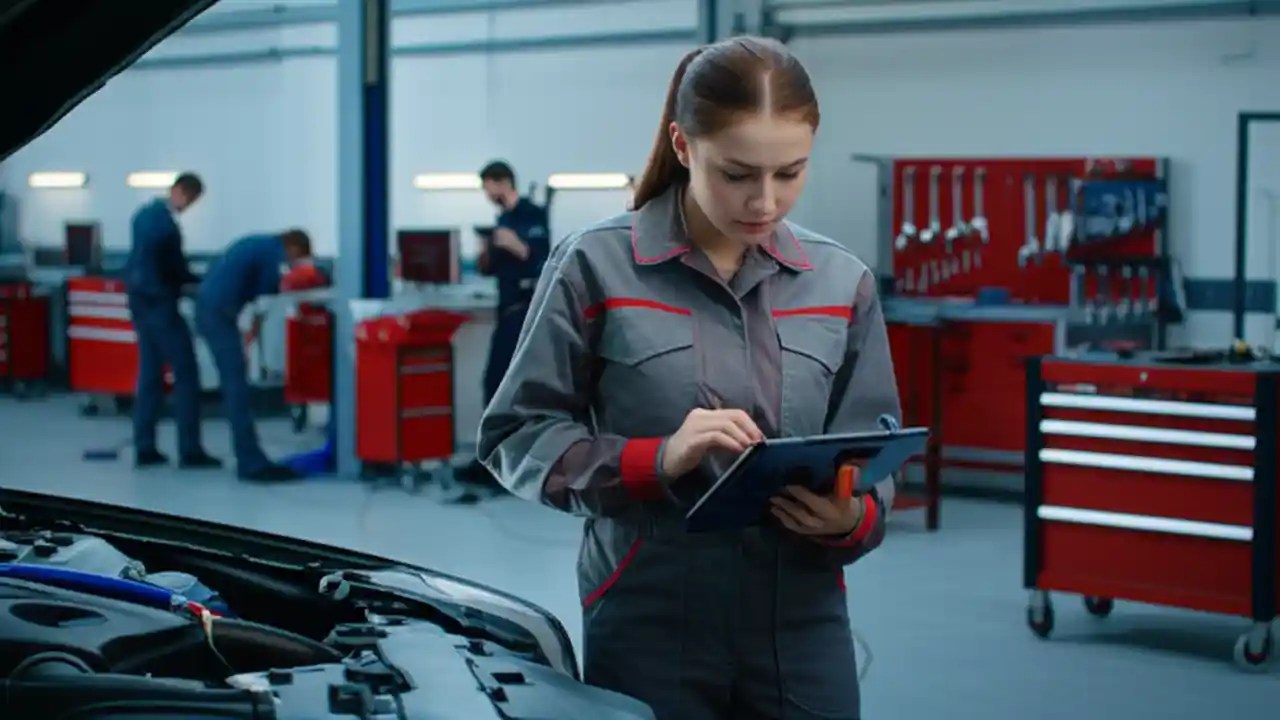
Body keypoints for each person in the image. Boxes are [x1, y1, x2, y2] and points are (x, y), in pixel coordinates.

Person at [477, 36, 900, 720]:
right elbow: (517, 435)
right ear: (682, 145)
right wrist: (657, 459)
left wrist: (853, 516)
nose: (765, 201)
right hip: (650, 617)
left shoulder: (840, 281)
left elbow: (872, 452)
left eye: (790, 172)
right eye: (737, 173)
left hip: (802, 619)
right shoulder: (596, 267)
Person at [194, 230, 313, 482]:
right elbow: (263, 303)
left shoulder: (255, 242)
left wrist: (246, 339)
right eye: (296, 258)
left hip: (210, 309)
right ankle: (251, 463)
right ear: (292, 247)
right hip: (219, 316)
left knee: (235, 384)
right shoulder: (272, 254)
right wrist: (249, 340)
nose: (292, 264)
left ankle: (243, 457)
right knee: (237, 388)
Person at [462, 161, 551, 493]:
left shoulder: (532, 215)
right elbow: (491, 269)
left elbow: (539, 259)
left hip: (524, 312)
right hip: (506, 308)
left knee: (510, 387)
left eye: (488, 186)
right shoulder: (501, 221)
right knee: (493, 384)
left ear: (502, 182)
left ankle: (512, 463)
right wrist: (486, 250)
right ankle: (493, 459)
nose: (487, 195)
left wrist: (511, 241)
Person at [124, 172, 220, 470]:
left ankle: (145, 447)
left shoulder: (142, 215)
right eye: (189, 199)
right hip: (161, 304)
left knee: (150, 375)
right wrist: (199, 281)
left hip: (139, 303)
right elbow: (173, 268)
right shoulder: (166, 226)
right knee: (186, 372)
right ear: (179, 190)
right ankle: (190, 450)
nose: (187, 206)